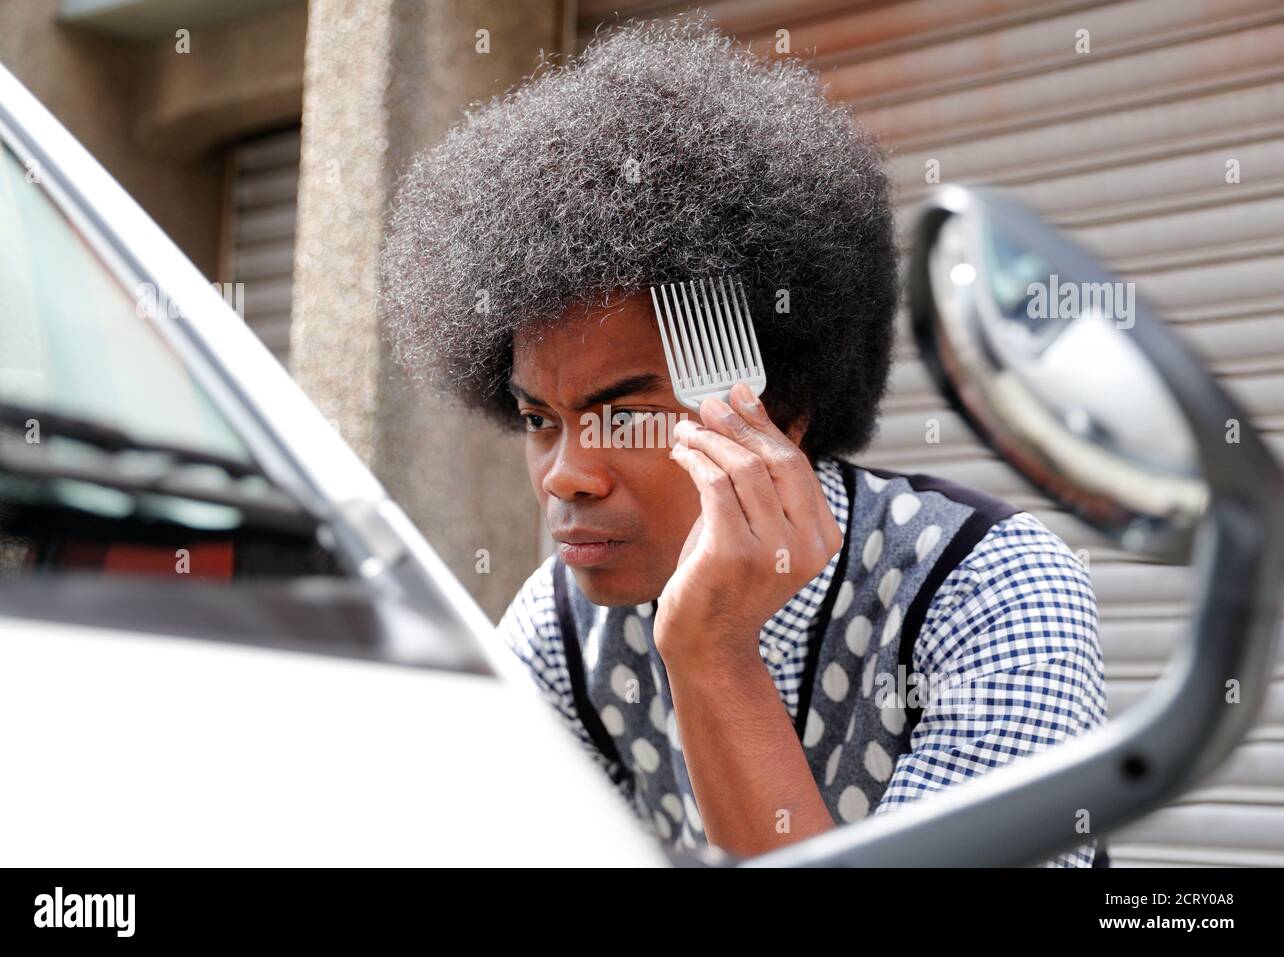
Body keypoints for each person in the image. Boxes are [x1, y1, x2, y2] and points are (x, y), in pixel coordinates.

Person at [380, 16, 1108, 866]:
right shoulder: (563, 630)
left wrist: (714, 653)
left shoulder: (987, 589)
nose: (565, 475)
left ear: (784, 410)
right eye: (541, 420)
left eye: (624, 414)